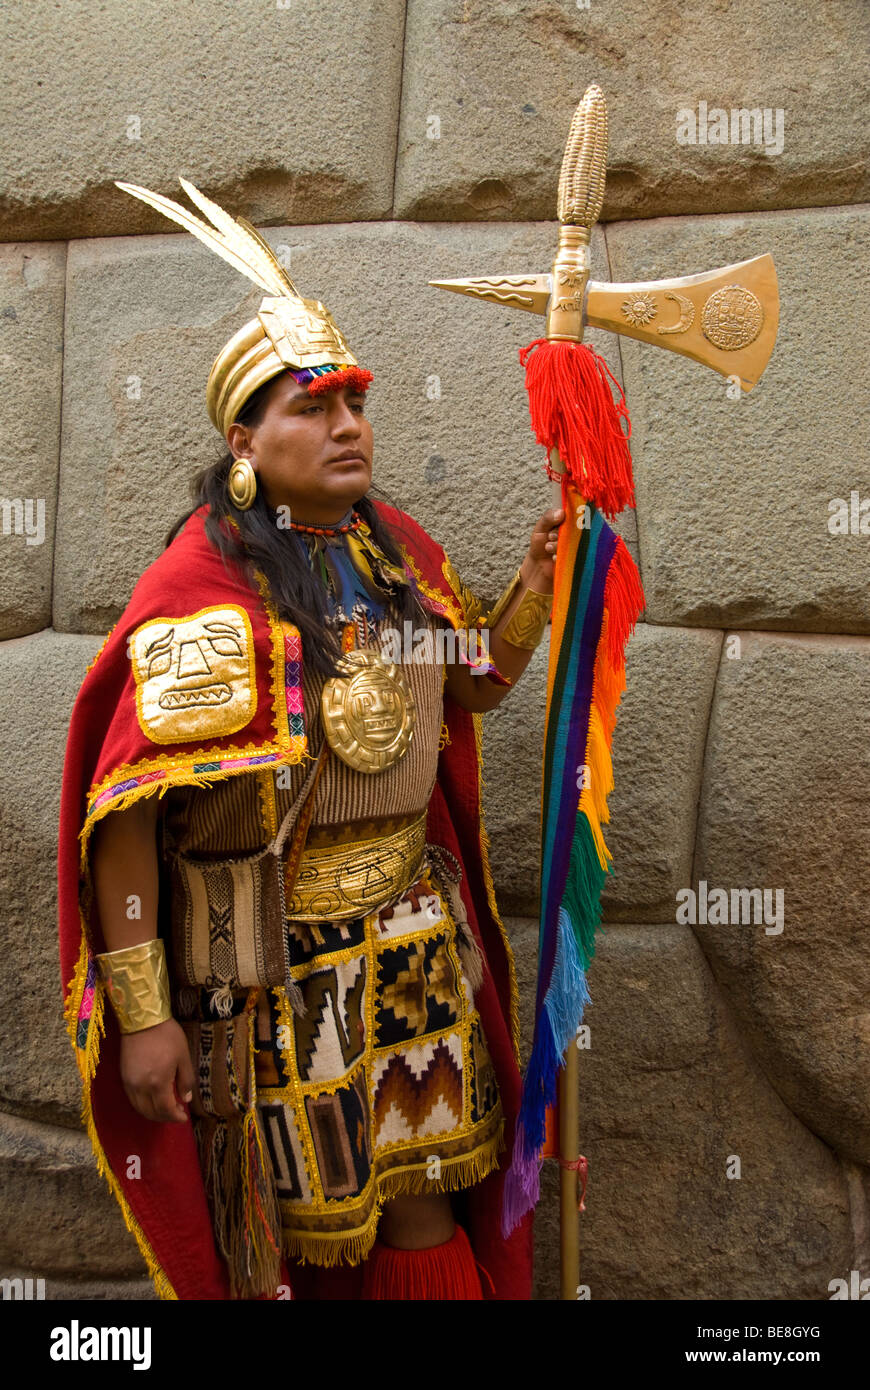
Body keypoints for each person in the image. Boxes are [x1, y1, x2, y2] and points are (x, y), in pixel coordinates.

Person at [58, 178, 564, 1300]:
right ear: (243, 440)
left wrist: (533, 589)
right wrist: (144, 1020)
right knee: (291, 1238)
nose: (347, 427)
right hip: (271, 969)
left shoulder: (397, 549)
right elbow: (124, 820)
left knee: (427, 1201)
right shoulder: (199, 595)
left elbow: (466, 685)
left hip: (417, 941)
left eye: (355, 405)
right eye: (312, 408)